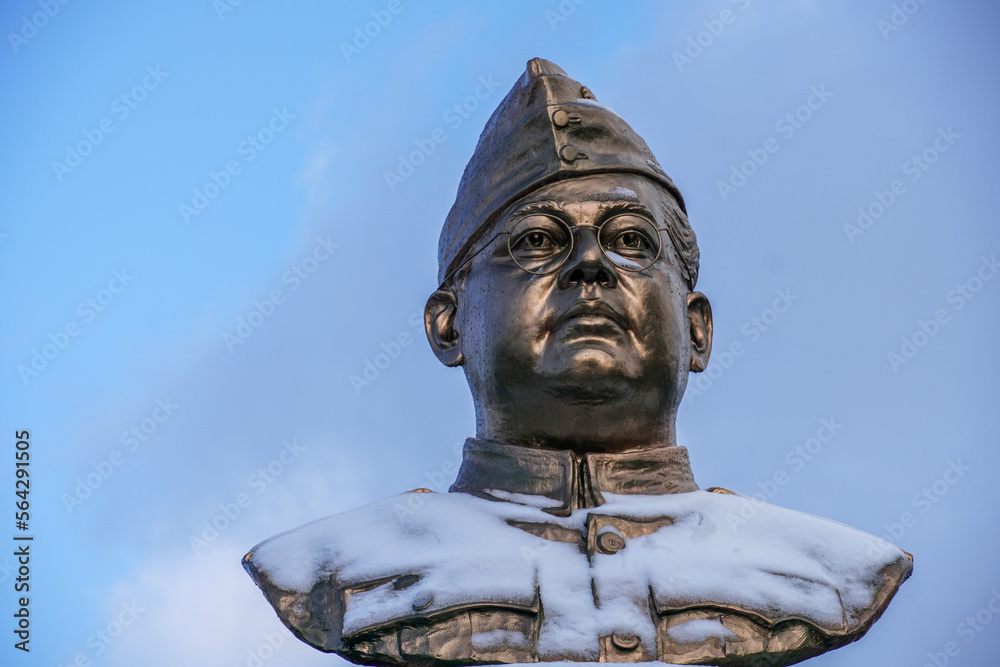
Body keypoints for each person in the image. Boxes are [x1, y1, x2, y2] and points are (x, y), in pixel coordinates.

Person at [243, 58, 911, 666]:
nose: (590, 264)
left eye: (629, 240)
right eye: (537, 240)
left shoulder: (827, 569)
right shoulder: (341, 571)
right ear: (447, 324)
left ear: (698, 329)